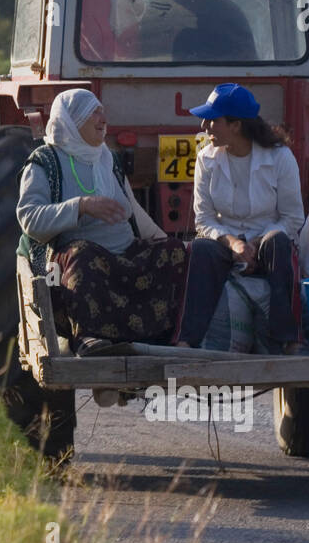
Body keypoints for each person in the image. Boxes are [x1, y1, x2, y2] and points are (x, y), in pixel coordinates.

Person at [17, 89, 186, 350]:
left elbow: (135, 213)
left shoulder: (108, 159)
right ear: (72, 119)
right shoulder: (45, 162)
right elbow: (30, 218)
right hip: (74, 258)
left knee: (174, 252)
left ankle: (163, 338)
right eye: (94, 112)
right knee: (85, 257)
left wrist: (166, 241)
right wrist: (81, 206)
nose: (103, 119)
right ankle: (88, 337)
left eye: (102, 112)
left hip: (122, 254)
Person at [172, 83, 304, 351]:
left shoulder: (280, 157)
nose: (204, 127)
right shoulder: (206, 158)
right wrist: (234, 243)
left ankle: (288, 339)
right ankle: (187, 338)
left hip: (268, 237)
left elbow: (292, 218)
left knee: (279, 244)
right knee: (199, 250)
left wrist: (255, 244)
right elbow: (204, 219)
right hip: (227, 241)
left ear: (236, 125)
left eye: (212, 120)